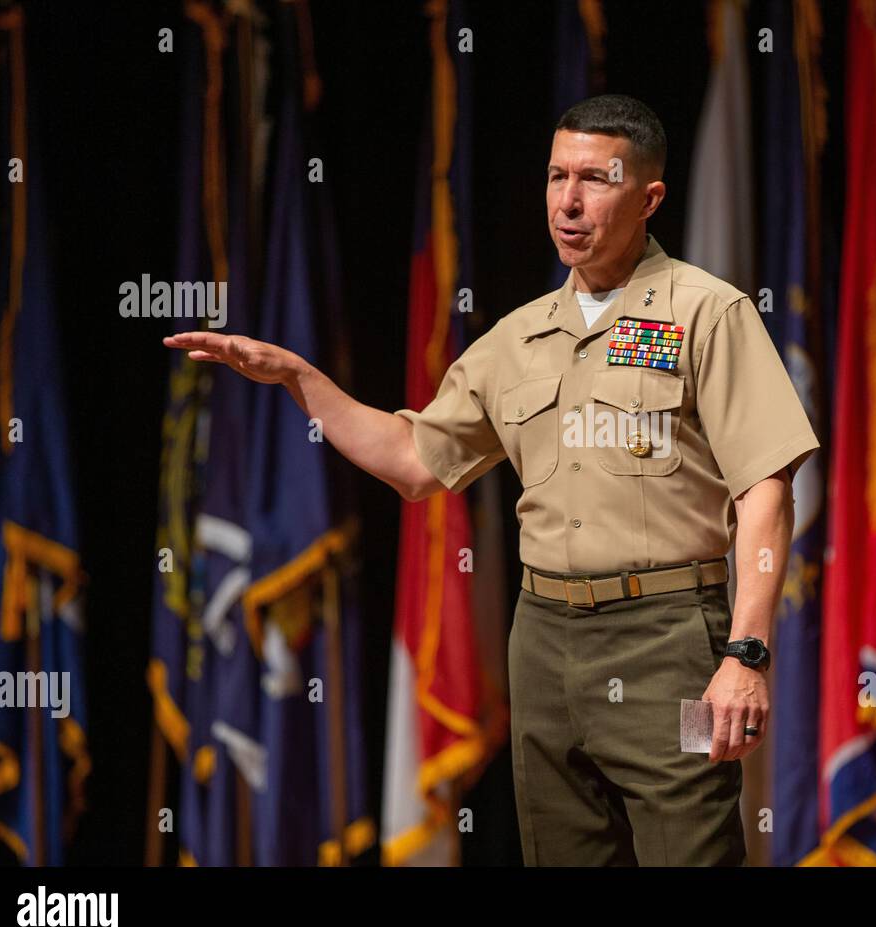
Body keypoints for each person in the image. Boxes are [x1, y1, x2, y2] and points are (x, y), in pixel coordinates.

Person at [165, 94, 819, 866]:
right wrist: (300, 380)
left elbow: (765, 489)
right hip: (544, 644)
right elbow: (414, 461)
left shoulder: (708, 313)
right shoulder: (520, 338)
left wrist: (745, 654)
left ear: (649, 198)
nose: (568, 201)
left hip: (670, 641)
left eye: (595, 180)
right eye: (555, 177)